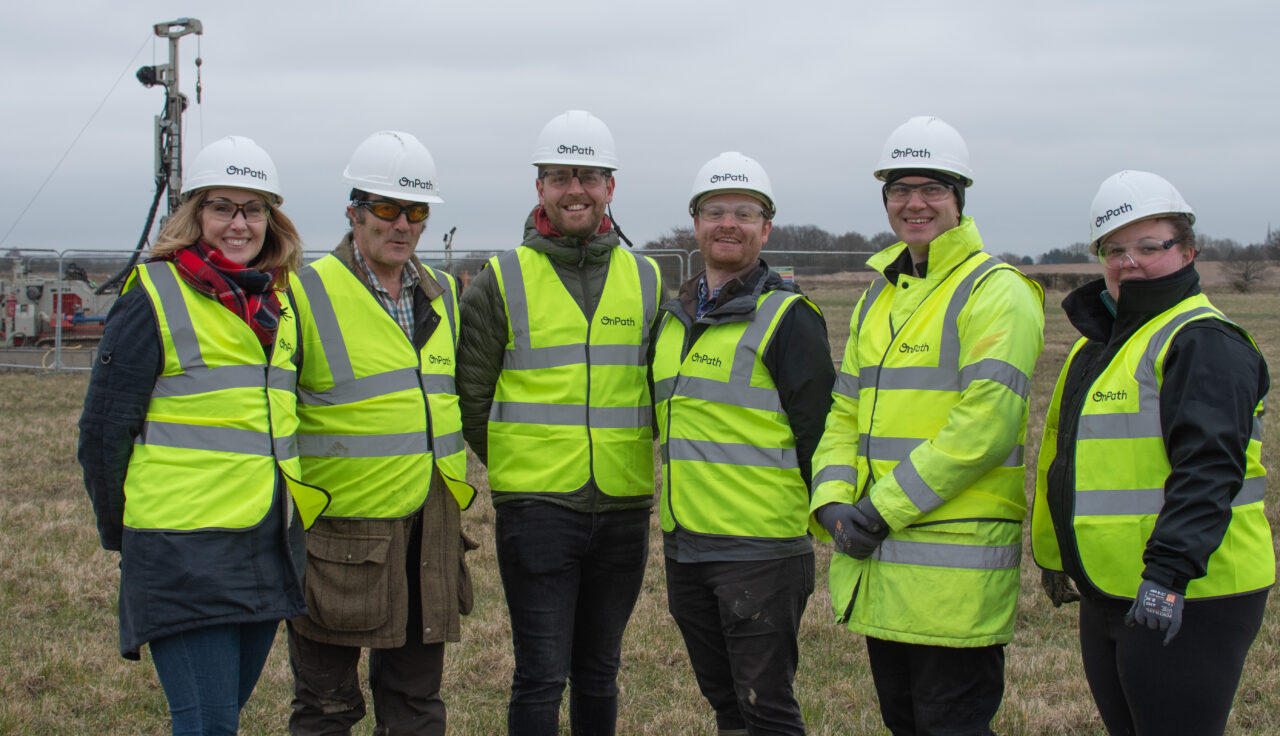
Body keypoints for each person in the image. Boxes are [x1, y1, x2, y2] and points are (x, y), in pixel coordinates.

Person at [78, 135, 329, 735]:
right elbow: (103, 431)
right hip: (183, 548)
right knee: (208, 725)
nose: (239, 224)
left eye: (253, 209)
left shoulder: (280, 302)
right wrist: (126, 534)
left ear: (271, 219)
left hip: (266, 544)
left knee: (220, 719)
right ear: (195, 214)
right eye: (222, 207)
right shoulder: (154, 295)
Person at [810, 116, 1045, 735]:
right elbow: (844, 412)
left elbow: (986, 425)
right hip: (879, 563)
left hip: (952, 578)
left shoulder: (996, 291)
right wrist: (831, 501)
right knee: (905, 723)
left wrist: (878, 509)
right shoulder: (878, 296)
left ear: (959, 197)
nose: (914, 203)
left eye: (932, 188)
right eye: (900, 189)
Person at [1032, 170, 1274, 736]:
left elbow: (1208, 471)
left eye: (1148, 247)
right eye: (1114, 250)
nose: (1129, 262)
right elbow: (1069, 466)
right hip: (1113, 590)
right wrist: (1061, 556)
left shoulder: (1202, 340)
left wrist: (1168, 576)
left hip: (1190, 592)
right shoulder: (1101, 346)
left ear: (1187, 251)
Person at [456, 109, 663, 735]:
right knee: (541, 675)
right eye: (560, 176)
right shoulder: (500, 279)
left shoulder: (647, 278)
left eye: (589, 177)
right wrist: (524, 465)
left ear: (610, 186)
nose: (576, 189)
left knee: (600, 671)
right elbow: (472, 399)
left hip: (623, 506)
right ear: (540, 186)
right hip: (537, 510)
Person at [286, 130, 477, 736]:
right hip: (338, 533)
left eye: (416, 212)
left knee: (416, 706)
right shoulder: (304, 293)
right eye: (387, 208)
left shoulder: (441, 296)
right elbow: (273, 416)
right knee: (326, 708)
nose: (402, 225)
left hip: (427, 528)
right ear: (354, 211)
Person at [654, 152, 835, 735]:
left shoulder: (789, 318)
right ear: (696, 224)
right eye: (715, 212)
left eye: (744, 213)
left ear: (766, 228)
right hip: (687, 548)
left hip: (761, 553)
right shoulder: (672, 319)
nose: (728, 223)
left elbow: (819, 435)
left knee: (766, 708)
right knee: (727, 705)